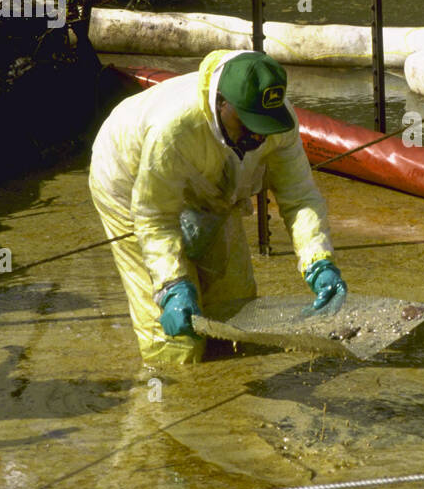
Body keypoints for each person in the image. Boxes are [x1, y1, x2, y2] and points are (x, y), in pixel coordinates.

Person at [88, 49, 347, 364]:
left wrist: (319, 262)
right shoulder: (174, 128)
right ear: (222, 102)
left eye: (264, 125)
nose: (257, 135)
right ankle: (168, 392)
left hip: (211, 185)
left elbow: (300, 196)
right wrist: (172, 286)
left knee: (236, 313)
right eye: (248, 123)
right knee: (180, 339)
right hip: (129, 187)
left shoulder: (278, 121)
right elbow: (155, 217)